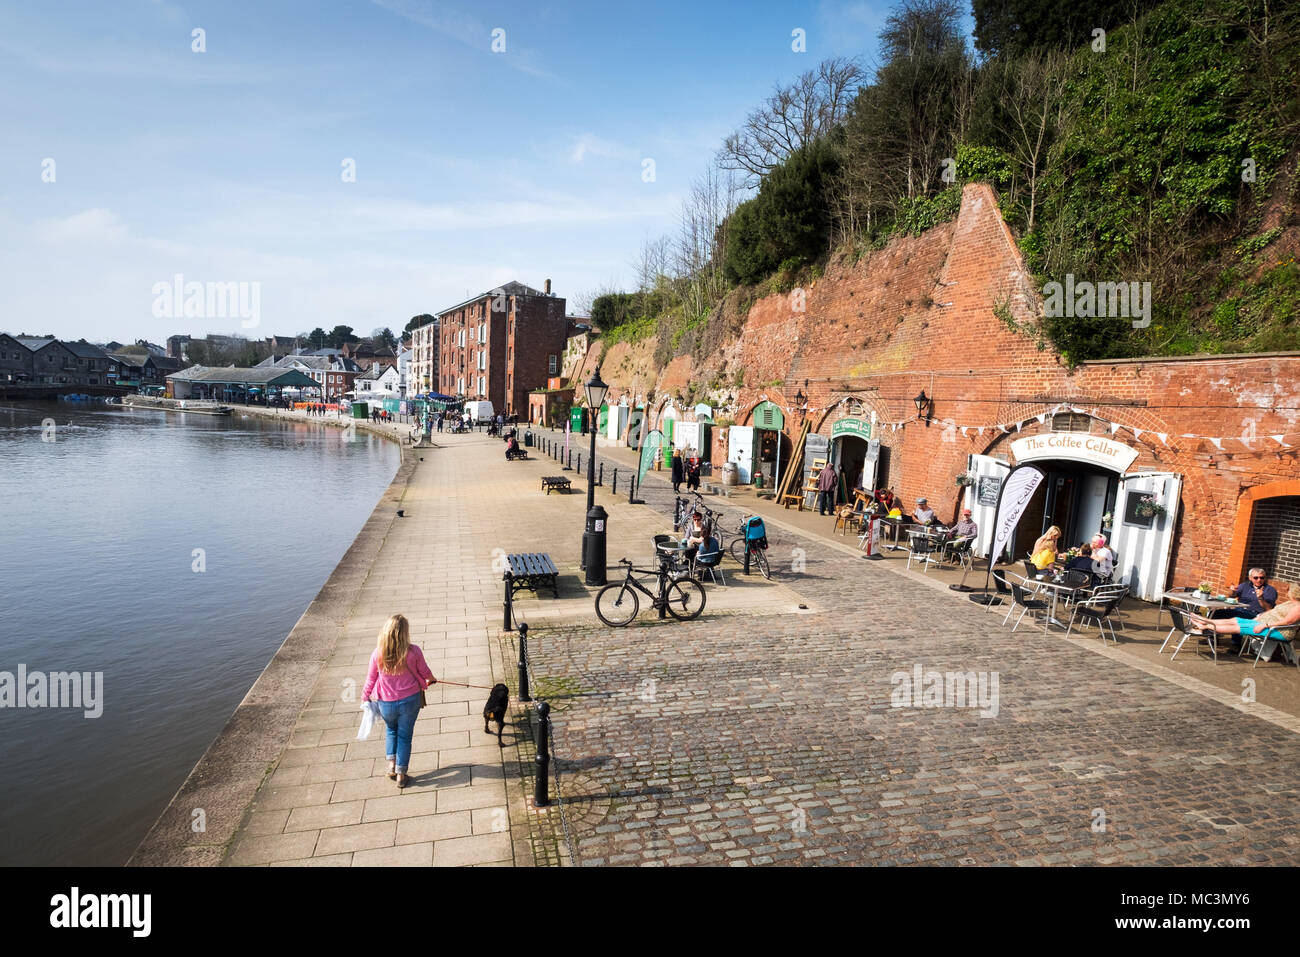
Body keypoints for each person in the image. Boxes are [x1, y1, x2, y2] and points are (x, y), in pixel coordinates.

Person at [362, 614, 437, 789]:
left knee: (391, 730)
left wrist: (364, 697)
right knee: (405, 735)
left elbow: (370, 679)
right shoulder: (413, 651)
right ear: (405, 633)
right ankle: (401, 774)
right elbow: (425, 671)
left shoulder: (378, 653)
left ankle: (391, 765)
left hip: (385, 703)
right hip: (410, 700)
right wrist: (432, 679)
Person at [1191, 582, 1300, 654]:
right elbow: (1273, 611)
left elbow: (1287, 621)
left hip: (1279, 631)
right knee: (1235, 620)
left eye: (1288, 590)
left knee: (1238, 627)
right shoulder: (1290, 602)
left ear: (1294, 592)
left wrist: (1265, 625)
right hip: (1263, 622)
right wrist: (1260, 617)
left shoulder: (1298, 607)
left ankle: (1205, 626)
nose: (1287, 592)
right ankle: (1205, 621)